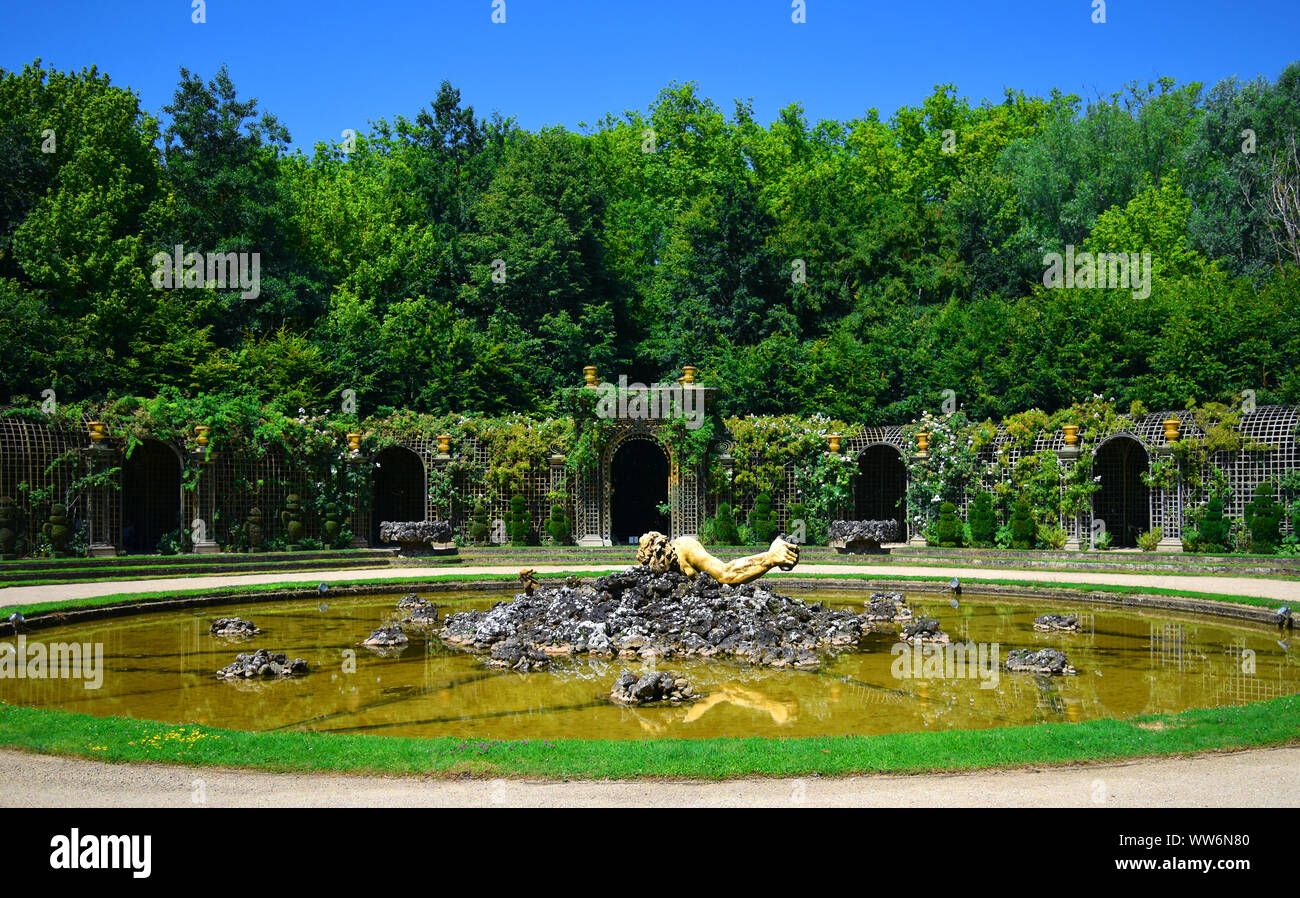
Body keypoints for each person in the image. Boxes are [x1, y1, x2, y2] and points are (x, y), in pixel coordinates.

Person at [636, 531, 799, 584]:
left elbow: (725, 573)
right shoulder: (651, 568)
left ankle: (777, 552)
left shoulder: (685, 548)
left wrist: (769, 558)